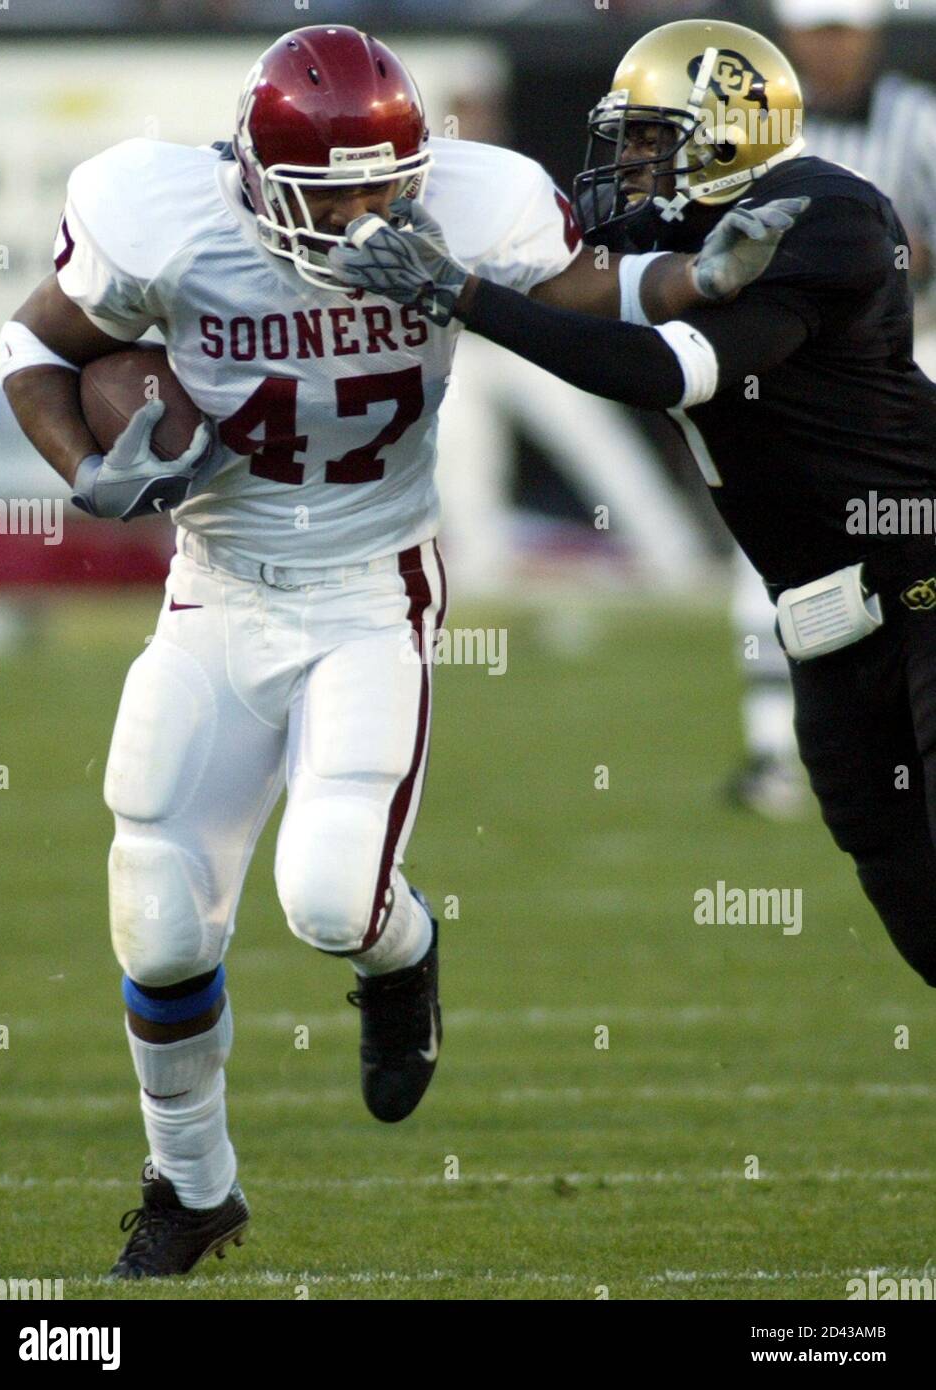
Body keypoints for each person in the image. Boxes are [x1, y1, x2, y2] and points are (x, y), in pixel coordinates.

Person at [0, 23, 788, 1278]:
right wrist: (91, 470)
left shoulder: (471, 205)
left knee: (328, 899)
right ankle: (193, 1189)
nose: (373, 213)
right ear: (257, 179)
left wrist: (700, 284)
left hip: (370, 591)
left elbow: (585, 296)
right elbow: (37, 349)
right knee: (156, 915)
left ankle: (402, 957)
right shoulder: (157, 215)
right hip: (216, 591)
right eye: (341, 191)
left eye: (390, 184)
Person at [329, 18, 936, 992]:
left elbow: (664, 371)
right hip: (824, 616)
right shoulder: (665, 229)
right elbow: (570, 283)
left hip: (921, 578)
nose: (629, 162)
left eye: (651, 137)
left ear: (728, 130)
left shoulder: (823, 215)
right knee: (908, 896)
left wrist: (461, 295)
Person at [728, 0, 936, 817]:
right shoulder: (758, 132)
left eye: (842, 30)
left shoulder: (917, 121)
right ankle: (772, 748)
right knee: (775, 543)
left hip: (911, 343)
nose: (830, 47)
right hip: (800, 362)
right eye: (817, 30)